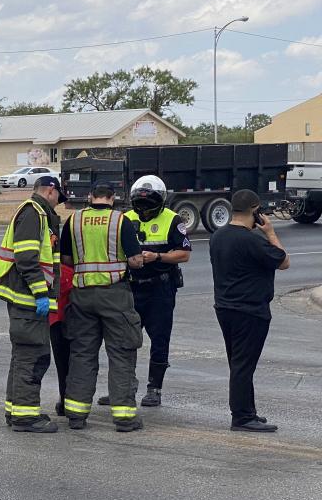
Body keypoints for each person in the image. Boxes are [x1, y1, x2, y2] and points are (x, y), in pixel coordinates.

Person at [60, 183, 145, 432]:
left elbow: (66, 259)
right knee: (121, 354)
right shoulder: (120, 221)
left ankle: (76, 414)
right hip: (114, 295)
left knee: (82, 354)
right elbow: (135, 260)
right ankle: (124, 417)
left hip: (81, 295)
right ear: (112, 198)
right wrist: (141, 257)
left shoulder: (73, 221)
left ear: (89, 197)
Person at [209, 189, 289, 433]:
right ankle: (242, 417)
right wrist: (271, 232)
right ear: (255, 210)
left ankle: (248, 410)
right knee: (244, 365)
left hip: (225, 307)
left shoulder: (218, 236)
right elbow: (284, 261)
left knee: (239, 363)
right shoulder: (252, 240)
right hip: (250, 310)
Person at [0, 175, 64, 433]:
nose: (58, 205)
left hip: (27, 299)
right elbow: (26, 258)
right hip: (28, 299)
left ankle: (17, 409)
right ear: (51, 191)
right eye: (58, 199)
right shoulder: (34, 213)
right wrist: (40, 293)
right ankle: (25, 416)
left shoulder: (37, 213)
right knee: (32, 356)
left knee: (23, 355)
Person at [123, 175, 191, 407]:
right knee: (125, 340)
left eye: (148, 207)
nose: (143, 211)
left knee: (160, 339)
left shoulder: (173, 220)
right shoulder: (125, 219)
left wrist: (157, 257)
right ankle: (123, 387)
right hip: (131, 287)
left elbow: (184, 254)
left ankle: (154, 389)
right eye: (139, 206)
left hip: (160, 287)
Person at [49, 260, 74, 417]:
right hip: (68, 315)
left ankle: (65, 399)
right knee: (76, 360)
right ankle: (68, 399)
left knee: (63, 362)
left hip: (58, 316)